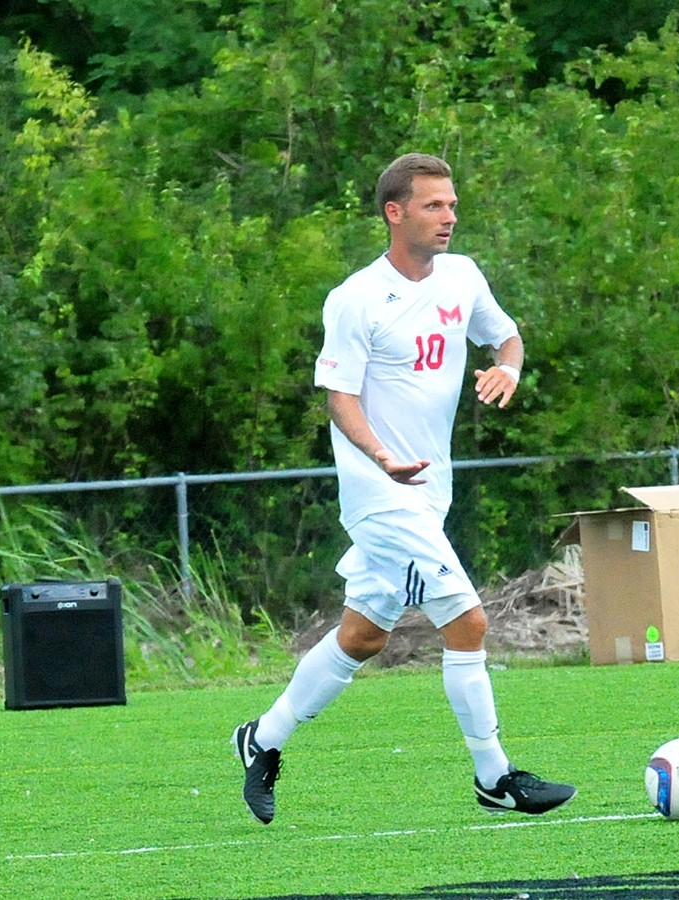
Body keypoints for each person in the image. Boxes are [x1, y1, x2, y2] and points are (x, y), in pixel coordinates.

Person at [231, 153, 576, 825]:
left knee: (362, 637)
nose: (449, 217)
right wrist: (381, 455)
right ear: (395, 212)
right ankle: (494, 777)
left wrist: (508, 368)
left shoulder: (462, 276)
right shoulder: (356, 298)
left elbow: (506, 336)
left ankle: (262, 738)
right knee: (468, 621)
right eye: (433, 205)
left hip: (429, 493)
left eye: (452, 205)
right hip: (379, 495)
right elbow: (339, 397)